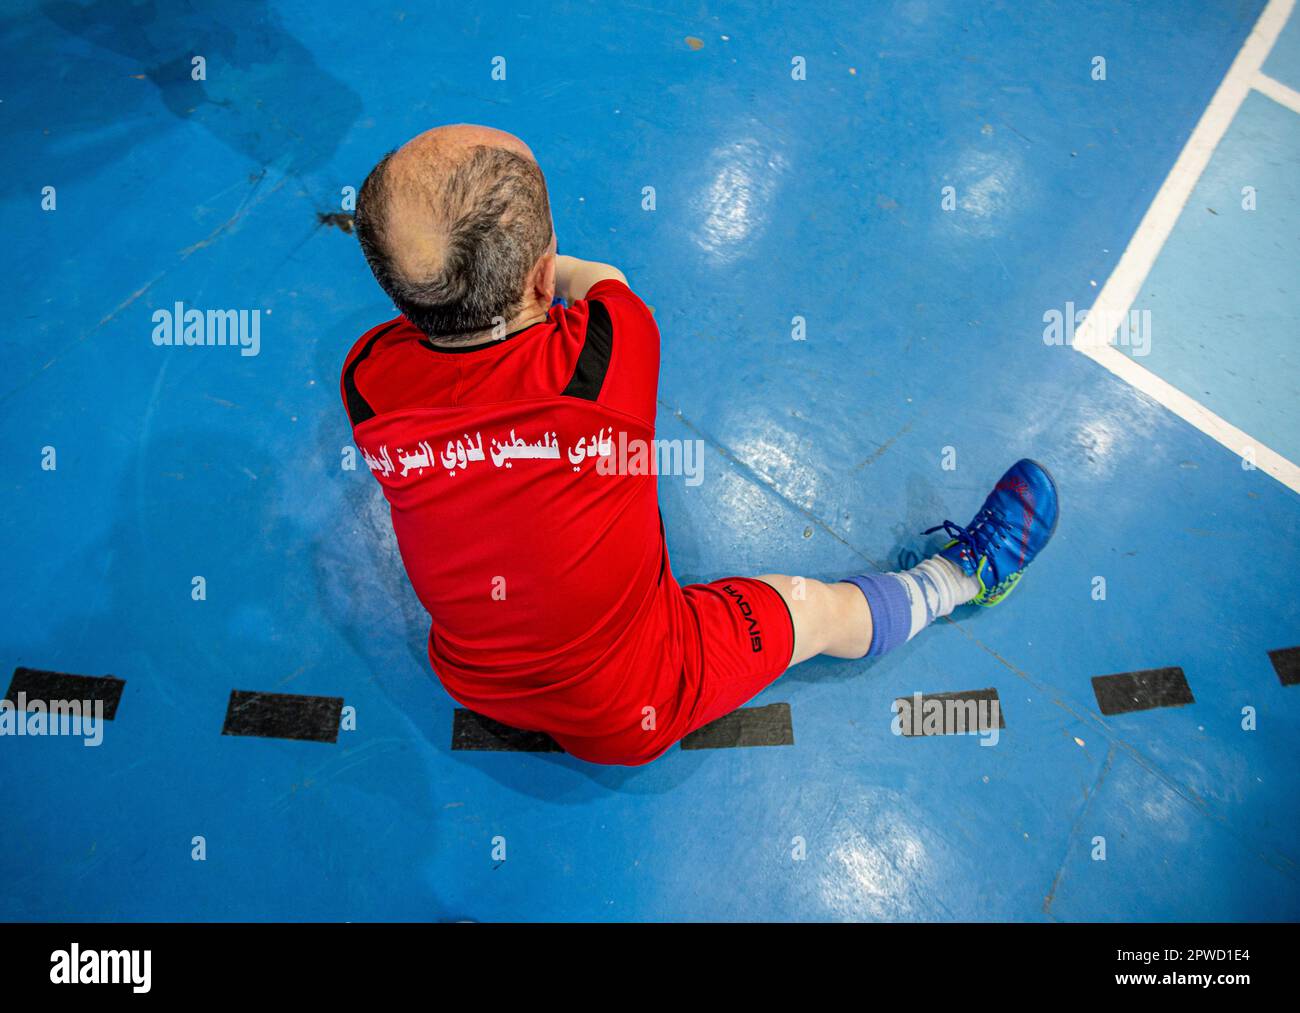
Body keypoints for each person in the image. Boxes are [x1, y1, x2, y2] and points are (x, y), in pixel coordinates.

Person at [342, 123, 1058, 765]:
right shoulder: (610, 350)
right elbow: (604, 285)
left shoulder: (366, 378)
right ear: (540, 276)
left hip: (474, 680)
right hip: (626, 709)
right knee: (809, 609)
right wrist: (539, 269)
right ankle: (959, 580)